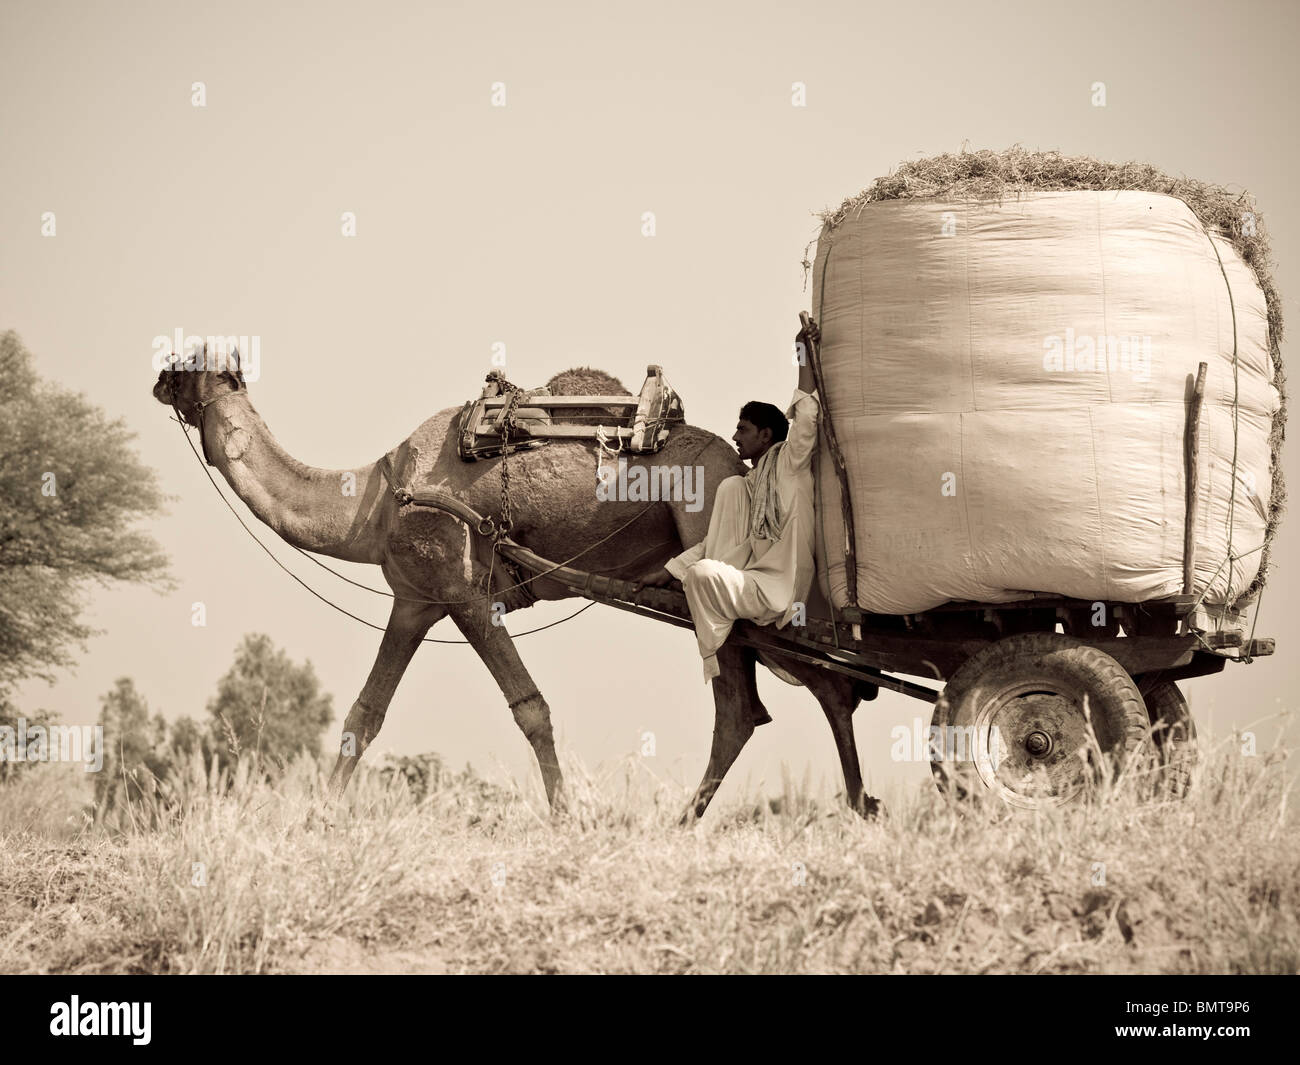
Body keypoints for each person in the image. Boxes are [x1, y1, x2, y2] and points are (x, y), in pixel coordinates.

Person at [635, 320, 822, 684]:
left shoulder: (791, 463)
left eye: (743, 429)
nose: (735, 437)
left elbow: (807, 418)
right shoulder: (749, 484)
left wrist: (805, 357)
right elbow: (715, 541)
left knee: (703, 574)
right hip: (751, 580)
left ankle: (717, 628)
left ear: (766, 434)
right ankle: (712, 596)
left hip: (782, 591)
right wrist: (669, 571)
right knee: (730, 490)